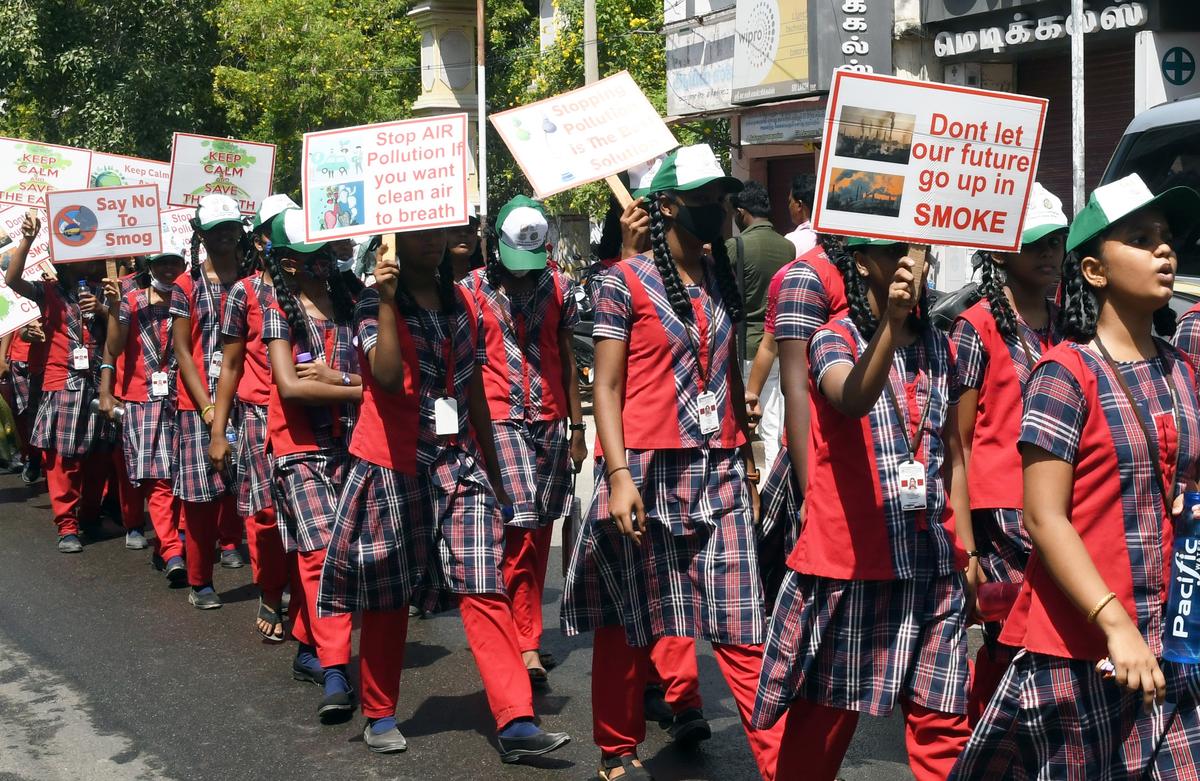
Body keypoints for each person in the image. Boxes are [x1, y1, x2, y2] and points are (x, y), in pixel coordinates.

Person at [952, 175, 1200, 779]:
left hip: (1174, 632)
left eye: (1166, 238)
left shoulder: (1183, 369)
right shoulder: (1064, 374)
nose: (1163, 251)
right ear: (1093, 271)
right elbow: (1042, 515)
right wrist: (1114, 623)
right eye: (1141, 240)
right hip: (1083, 646)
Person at [561, 145, 783, 781]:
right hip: (645, 468)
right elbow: (605, 387)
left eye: (722, 197)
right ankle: (617, 747)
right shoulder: (619, 282)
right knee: (631, 618)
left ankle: (779, 763)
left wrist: (748, 457)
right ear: (666, 207)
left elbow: (726, 375)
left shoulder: (719, 277)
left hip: (716, 466)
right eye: (705, 199)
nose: (718, 208)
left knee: (744, 623)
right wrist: (618, 474)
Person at [317, 227, 571, 761]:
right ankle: (380, 712)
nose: (434, 241)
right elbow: (385, 377)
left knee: (484, 580)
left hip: (456, 460)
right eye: (420, 233)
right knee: (388, 595)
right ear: (394, 239)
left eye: (440, 232)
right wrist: (386, 303)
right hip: (391, 462)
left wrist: (497, 472)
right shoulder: (369, 302)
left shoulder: (461, 300)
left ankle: (516, 719)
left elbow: (472, 383)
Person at [753, 236, 978, 781]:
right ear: (860, 263)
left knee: (943, 721)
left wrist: (965, 548)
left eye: (917, 250)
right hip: (852, 566)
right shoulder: (832, 339)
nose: (908, 262)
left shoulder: (947, 346)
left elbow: (954, 454)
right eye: (891, 251)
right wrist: (890, 323)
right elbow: (851, 397)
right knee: (825, 721)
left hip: (929, 561)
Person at [948, 182, 1068, 723]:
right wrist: (967, 546)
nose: (1049, 253)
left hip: (1062, 505)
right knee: (1010, 636)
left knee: (1055, 632)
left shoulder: (1071, 321)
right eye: (1037, 243)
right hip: (1000, 517)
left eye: (1057, 241)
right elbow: (959, 441)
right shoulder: (976, 327)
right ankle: (986, 735)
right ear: (1000, 251)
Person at [462, 195, 586, 686]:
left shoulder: (561, 287)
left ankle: (523, 630)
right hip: (497, 419)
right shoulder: (469, 290)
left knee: (538, 533)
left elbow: (566, 357)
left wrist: (577, 428)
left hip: (551, 420)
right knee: (520, 525)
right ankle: (525, 643)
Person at [261, 207, 363, 721]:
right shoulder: (277, 306)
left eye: (324, 251)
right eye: (308, 256)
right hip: (298, 446)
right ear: (287, 263)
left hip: (353, 443)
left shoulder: (352, 297)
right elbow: (291, 385)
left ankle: (306, 639)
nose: (322, 262)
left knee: (347, 548)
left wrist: (348, 385)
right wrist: (359, 390)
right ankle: (336, 669)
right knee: (321, 551)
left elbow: (377, 364)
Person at [209, 194, 296, 641]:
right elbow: (230, 365)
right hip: (259, 419)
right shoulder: (244, 293)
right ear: (262, 240)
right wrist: (218, 430)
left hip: (310, 415)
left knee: (305, 514)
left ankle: (304, 597)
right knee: (264, 516)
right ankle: (269, 591)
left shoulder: (326, 288)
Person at [4, 212, 114, 553]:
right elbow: (12, 279)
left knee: (99, 455)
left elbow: (120, 331)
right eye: (83, 256)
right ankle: (66, 525)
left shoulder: (106, 291)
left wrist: (106, 308)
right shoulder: (47, 292)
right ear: (66, 263)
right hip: (61, 382)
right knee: (63, 459)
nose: (91, 260)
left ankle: (91, 515)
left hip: (99, 382)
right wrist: (26, 239)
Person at [751, 239, 847, 607]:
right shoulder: (808, 276)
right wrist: (810, 491)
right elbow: (797, 386)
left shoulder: (901, 276)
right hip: (821, 458)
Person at [171, 194, 249, 608]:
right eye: (216, 229)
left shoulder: (253, 278)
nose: (225, 236)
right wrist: (206, 406)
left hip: (245, 397)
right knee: (200, 495)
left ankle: (236, 544)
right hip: (197, 402)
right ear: (201, 235)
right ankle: (200, 580)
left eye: (231, 228)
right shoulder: (186, 285)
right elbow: (183, 351)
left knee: (245, 487)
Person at [99, 248, 187, 584]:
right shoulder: (131, 301)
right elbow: (115, 347)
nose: (168, 269)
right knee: (158, 479)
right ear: (149, 266)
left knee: (181, 476)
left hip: (182, 397)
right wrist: (117, 308)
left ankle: (165, 546)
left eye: (174, 263)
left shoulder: (190, 299)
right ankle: (172, 548)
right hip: (142, 399)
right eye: (161, 262)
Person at [726, 181, 797, 375]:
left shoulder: (735, 246)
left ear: (740, 212)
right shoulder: (788, 246)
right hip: (779, 346)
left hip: (748, 350)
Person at [783, 175, 817, 258]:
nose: (789, 206)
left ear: (799, 205)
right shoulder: (833, 239)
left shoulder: (791, 241)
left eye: (790, 201)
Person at [448, 207, 484, 281]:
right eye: (455, 229)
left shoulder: (488, 280)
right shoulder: (432, 281)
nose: (463, 234)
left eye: (469, 230)